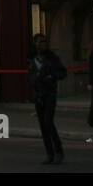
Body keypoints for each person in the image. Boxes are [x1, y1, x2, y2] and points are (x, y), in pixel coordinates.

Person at [29, 34, 67, 165]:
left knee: (48, 122)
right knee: (43, 126)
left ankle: (58, 151)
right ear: (35, 44)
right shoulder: (32, 59)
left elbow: (63, 73)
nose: (42, 44)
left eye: (44, 41)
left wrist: (52, 76)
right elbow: (30, 76)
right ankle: (49, 154)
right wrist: (34, 82)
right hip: (38, 95)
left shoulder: (52, 58)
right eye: (40, 42)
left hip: (50, 93)